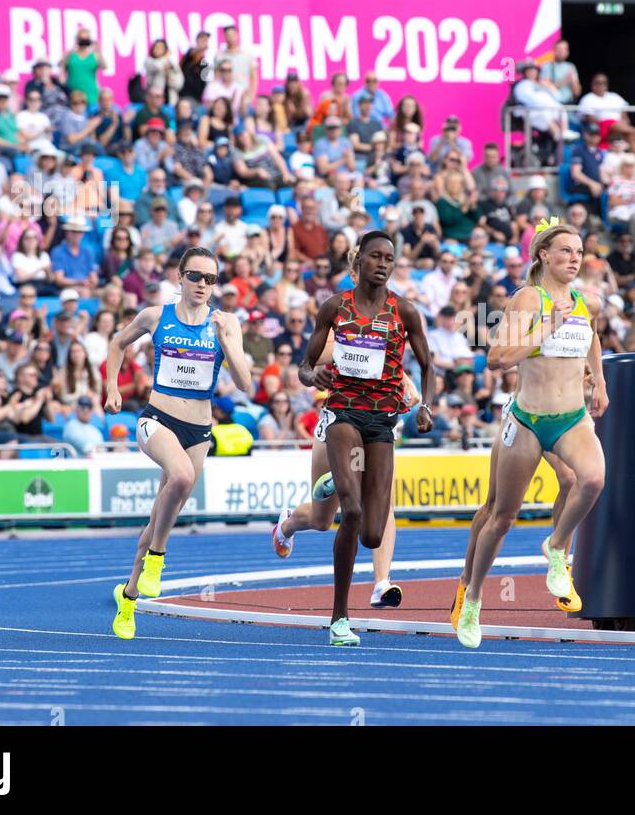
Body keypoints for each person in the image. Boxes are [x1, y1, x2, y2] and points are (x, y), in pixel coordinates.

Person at [452, 219, 609, 649]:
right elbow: (497, 358)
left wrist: (600, 379)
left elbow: (592, 337)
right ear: (543, 255)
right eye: (565, 251)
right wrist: (545, 330)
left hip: (572, 417)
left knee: (589, 479)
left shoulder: (586, 302)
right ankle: (473, 598)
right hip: (527, 419)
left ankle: (557, 548)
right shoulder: (528, 299)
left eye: (578, 252)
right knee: (501, 516)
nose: (574, 259)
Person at [298, 231, 435, 645]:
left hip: (383, 422)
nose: (383, 263)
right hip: (343, 412)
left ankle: (334, 483)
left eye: (389, 258)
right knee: (352, 512)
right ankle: (340, 618)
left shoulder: (405, 312)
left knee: (373, 533)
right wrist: (314, 375)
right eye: (375, 256)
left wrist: (426, 406)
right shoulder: (334, 307)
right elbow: (305, 366)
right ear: (358, 262)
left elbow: (429, 365)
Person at [107, 247, 251, 641]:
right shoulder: (156, 316)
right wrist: (112, 388)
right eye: (195, 276)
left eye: (211, 279)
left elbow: (244, 383)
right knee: (183, 477)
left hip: (199, 431)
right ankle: (158, 558)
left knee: (157, 519)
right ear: (180, 277)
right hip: (157, 419)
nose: (203, 285)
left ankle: (129, 596)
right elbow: (118, 344)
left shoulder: (227, 322)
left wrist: (228, 342)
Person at [273, 248, 420, 609]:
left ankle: (381, 583)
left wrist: (405, 383)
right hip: (337, 423)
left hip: (378, 423)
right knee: (323, 520)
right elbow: (317, 358)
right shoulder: (342, 315)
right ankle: (288, 525)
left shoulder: (393, 317)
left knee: (380, 503)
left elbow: (396, 361)